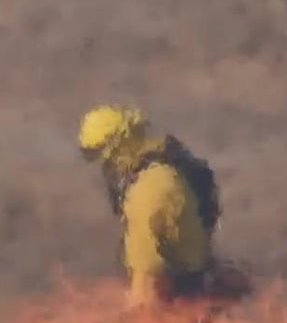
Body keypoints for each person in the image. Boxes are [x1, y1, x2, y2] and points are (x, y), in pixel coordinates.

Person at [77, 104, 226, 307]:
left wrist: (132, 321)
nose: (103, 169)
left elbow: (147, 277)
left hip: (181, 306)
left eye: (99, 156)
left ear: (115, 150)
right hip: (195, 284)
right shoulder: (162, 170)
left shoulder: (147, 193)